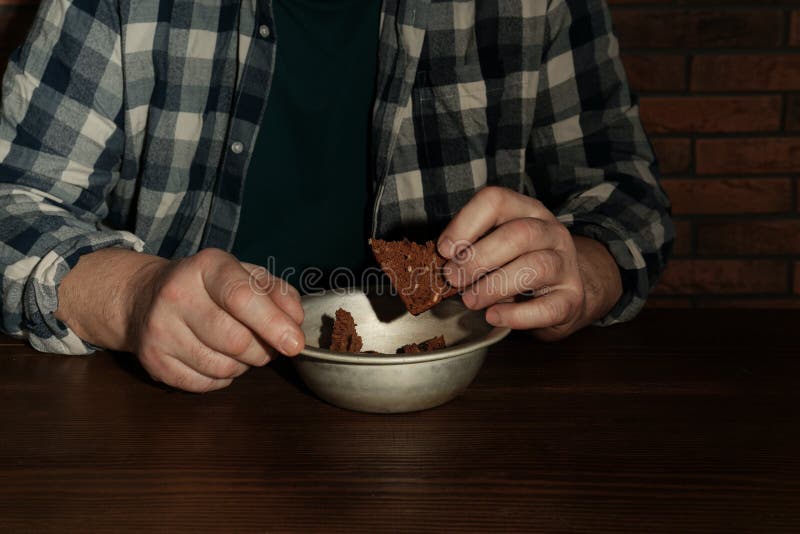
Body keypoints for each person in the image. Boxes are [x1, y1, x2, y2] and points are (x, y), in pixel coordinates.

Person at [0, 0, 673, 392]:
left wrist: (582, 268)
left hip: (476, 434)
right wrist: (132, 296)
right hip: (180, 422)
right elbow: (10, 200)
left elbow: (627, 199)